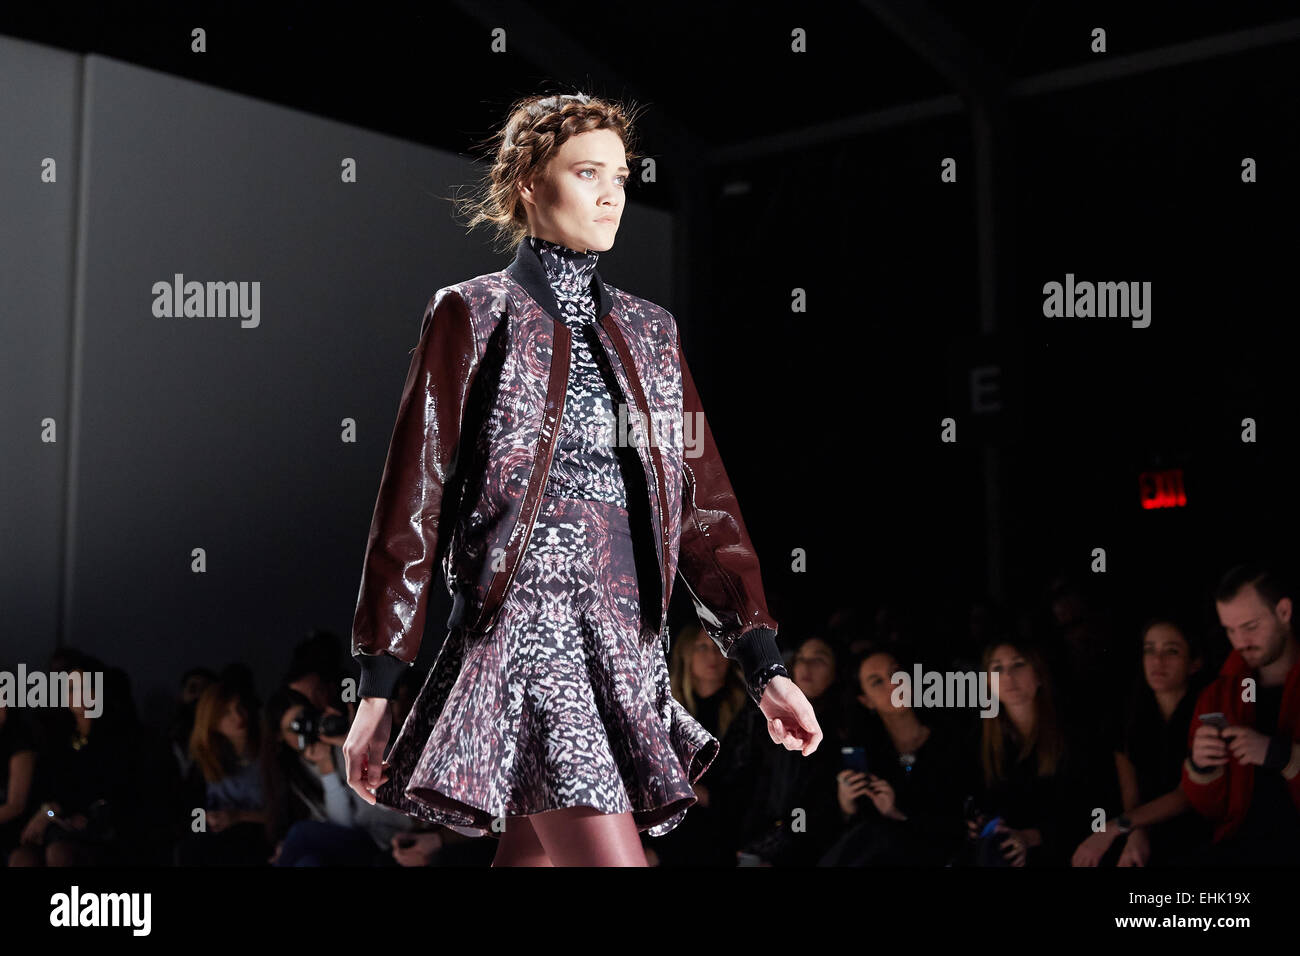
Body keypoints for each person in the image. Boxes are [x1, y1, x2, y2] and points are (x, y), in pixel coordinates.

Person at [342, 91, 821, 866]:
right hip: (526, 636)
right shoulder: (474, 313)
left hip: (624, 646)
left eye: (623, 176)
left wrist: (762, 663)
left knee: (533, 858)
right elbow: (413, 500)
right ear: (531, 182)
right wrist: (377, 682)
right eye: (587, 172)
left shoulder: (650, 331)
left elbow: (704, 509)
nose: (610, 194)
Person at [1178, 562, 1300, 864]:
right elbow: (1210, 810)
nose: (1240, 642)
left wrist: (1282, 756)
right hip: (1238, 851)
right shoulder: (1218, 694)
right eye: (1230, 630)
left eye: (1250, 626)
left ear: (1284, 612)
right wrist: (1202, 768)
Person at [1071, 617, 1211, 866]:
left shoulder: (1206, 712)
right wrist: (1136, 832)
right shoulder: (1128, 714)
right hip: (1144, 823)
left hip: (1200, 827)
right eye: (1150, 650)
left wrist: (1117, 827)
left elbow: (1189, 793)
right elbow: (1131, 791)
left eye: (1172, 651)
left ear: (1194, 662)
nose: (1157, 661)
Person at [820, 647, 977, 866]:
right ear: (866, 701)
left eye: (896, 673)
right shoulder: (868, 753)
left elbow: (960, 819)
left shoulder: (951, 738)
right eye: (877, 682)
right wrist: (847, 805)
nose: (894, 684)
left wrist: (898, 813)